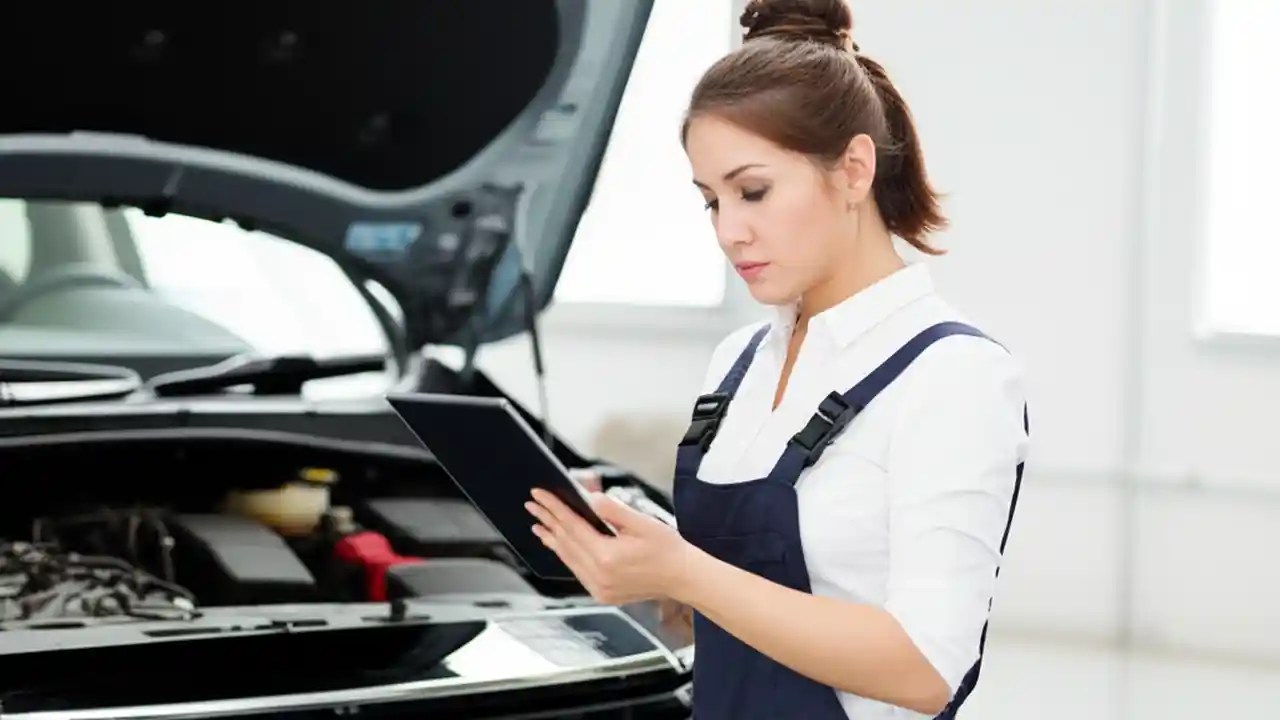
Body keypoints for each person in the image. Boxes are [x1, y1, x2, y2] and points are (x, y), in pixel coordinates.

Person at [526, 0, 1030, 718]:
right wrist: (642, 563)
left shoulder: (954, 377)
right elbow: (722, 620)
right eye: (711, 202)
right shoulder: (739, 364)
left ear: (854, 169)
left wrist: (690, 572)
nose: (730, 231)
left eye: (753, 191)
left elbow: (926, 669)